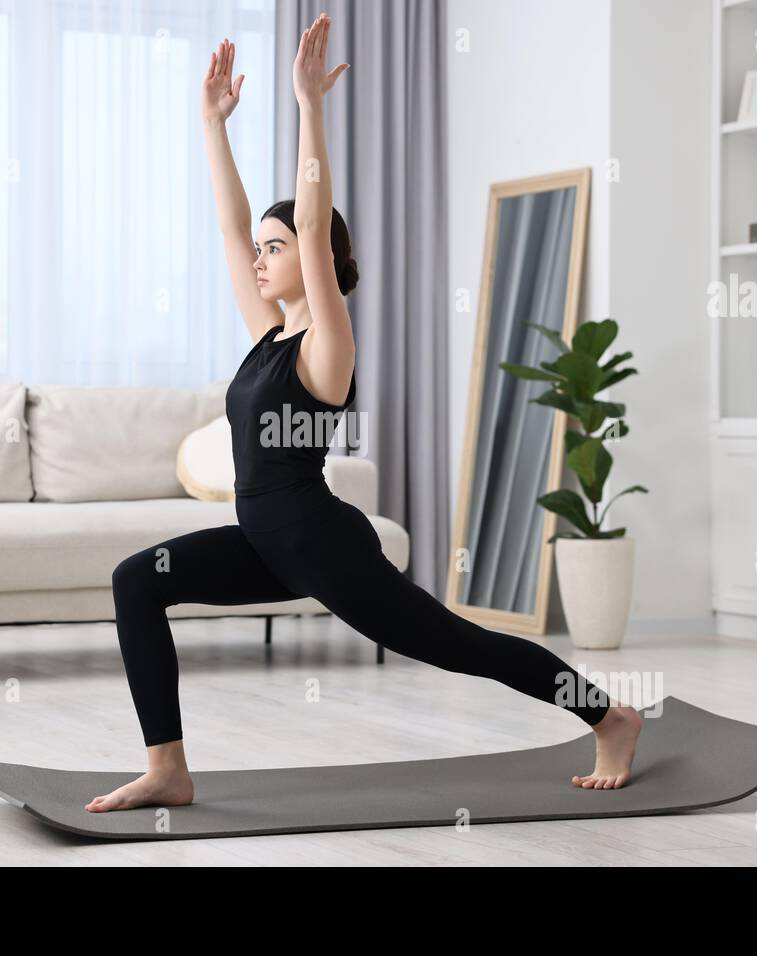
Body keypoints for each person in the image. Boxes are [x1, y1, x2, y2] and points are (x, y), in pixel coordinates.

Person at [86, 13, 641, 813]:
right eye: (265, 251)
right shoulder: (269, 336)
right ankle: (168, 766)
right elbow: (230, 227)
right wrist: (212, 127)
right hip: (265, 542)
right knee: (138, 581)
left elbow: (313, 225)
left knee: (460, 647)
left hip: (321, 546)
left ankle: (609, 713)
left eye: (276, 250)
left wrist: (310, 106)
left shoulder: (325, 346)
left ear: (316, 263)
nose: (261, 257)